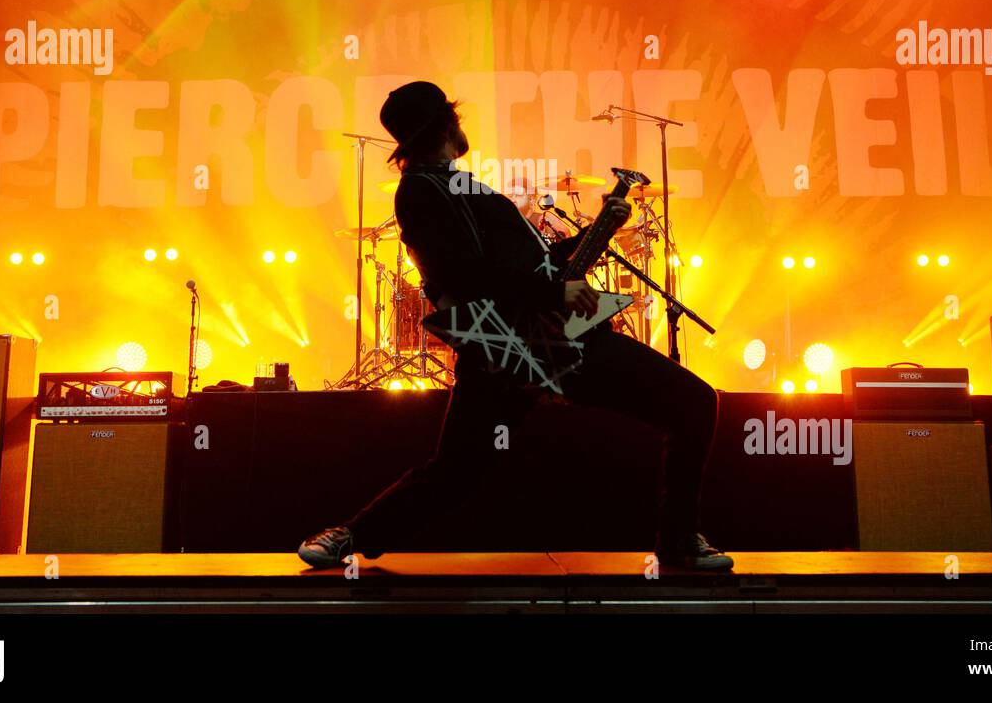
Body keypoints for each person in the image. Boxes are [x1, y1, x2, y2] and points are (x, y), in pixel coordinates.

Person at [299, 81, 731, 570]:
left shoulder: (459, 186)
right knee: (691, 403)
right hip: (513, 344)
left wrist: (595, 234)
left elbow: (539, 267)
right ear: (445, 125)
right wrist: (554, 293)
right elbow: (460, 273)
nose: (461, 125)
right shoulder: (421, 190)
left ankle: (349, 536)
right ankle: (350, 535)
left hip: (535, 340)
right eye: (453, 118)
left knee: (458, 469)